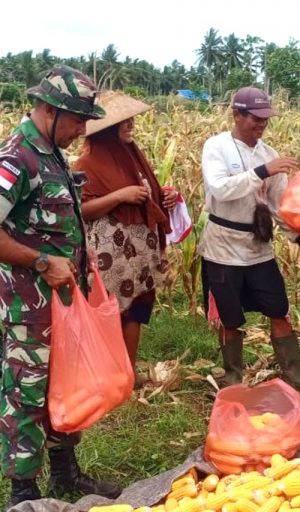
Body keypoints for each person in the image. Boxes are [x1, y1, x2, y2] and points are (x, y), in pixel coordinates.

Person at [0, 66, 122, 508]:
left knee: (69, 386)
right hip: (28, 305)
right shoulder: (17, 158)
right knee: (27, 394)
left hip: (63, 301)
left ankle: (65, 475)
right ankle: (24, 493)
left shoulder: (51, 153)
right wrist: (39, 260)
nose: (81, 129)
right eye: (75, 119)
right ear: (49, 110)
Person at [198, 86, 300, 392]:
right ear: (237, 114)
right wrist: (261, 171)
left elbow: (278, 206)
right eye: (255, 118)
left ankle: (295, 372)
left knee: (278, 308)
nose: (261, 124)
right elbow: (219, 189)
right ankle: (233, 379)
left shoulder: (268, 154)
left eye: (265, 119)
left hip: (259, 248)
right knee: (230, 318)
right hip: (223, 247)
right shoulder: (216, 147)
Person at [73, 91, 176, 387]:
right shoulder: (86, 165)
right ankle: (106, 375)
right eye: (123, 122)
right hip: (111, 254)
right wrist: (119, 196)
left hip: (140, 251)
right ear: (106, 130)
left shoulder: (133, 157)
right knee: (110, 310)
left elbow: (148, 194)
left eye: (130, 120)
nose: (130, 125)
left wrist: (163, 198)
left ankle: (127, 374)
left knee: (138, 308)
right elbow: (81, 209)